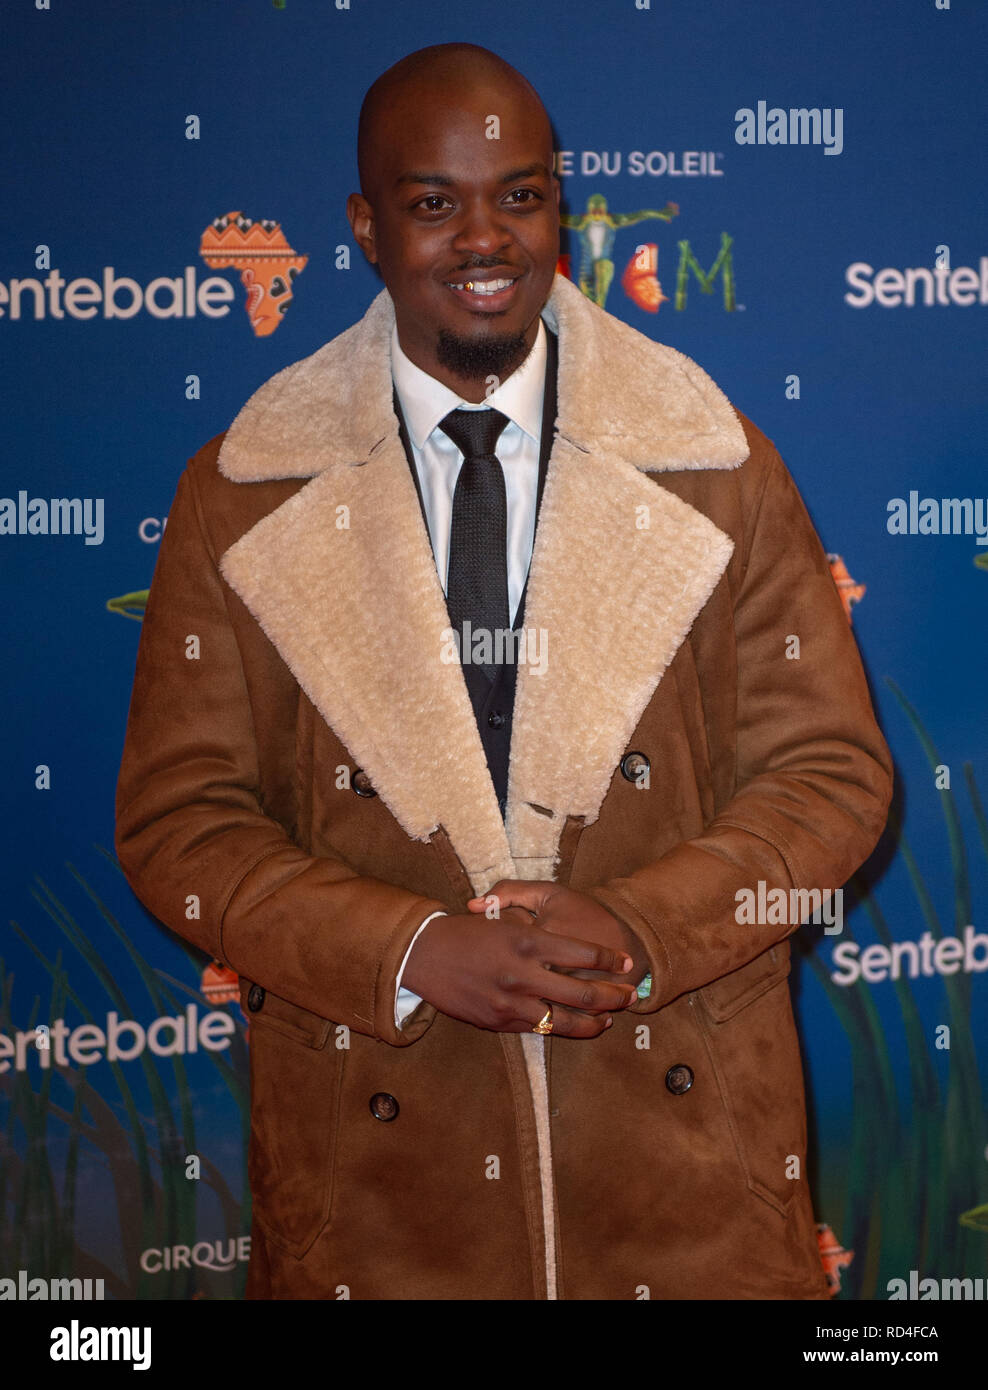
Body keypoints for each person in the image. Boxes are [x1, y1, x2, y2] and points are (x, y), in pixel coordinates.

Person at [115, 42, 893, 1300]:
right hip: (387, 1200)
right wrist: (409, 947)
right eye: (434, 204)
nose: (486, 239)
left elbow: (831, 777)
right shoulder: (240, 491)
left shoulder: (713, 457)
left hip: (684, 1173)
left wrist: (643, 927)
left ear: (560, 211)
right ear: (366, 227)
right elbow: (179, 824)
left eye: (519, 195)